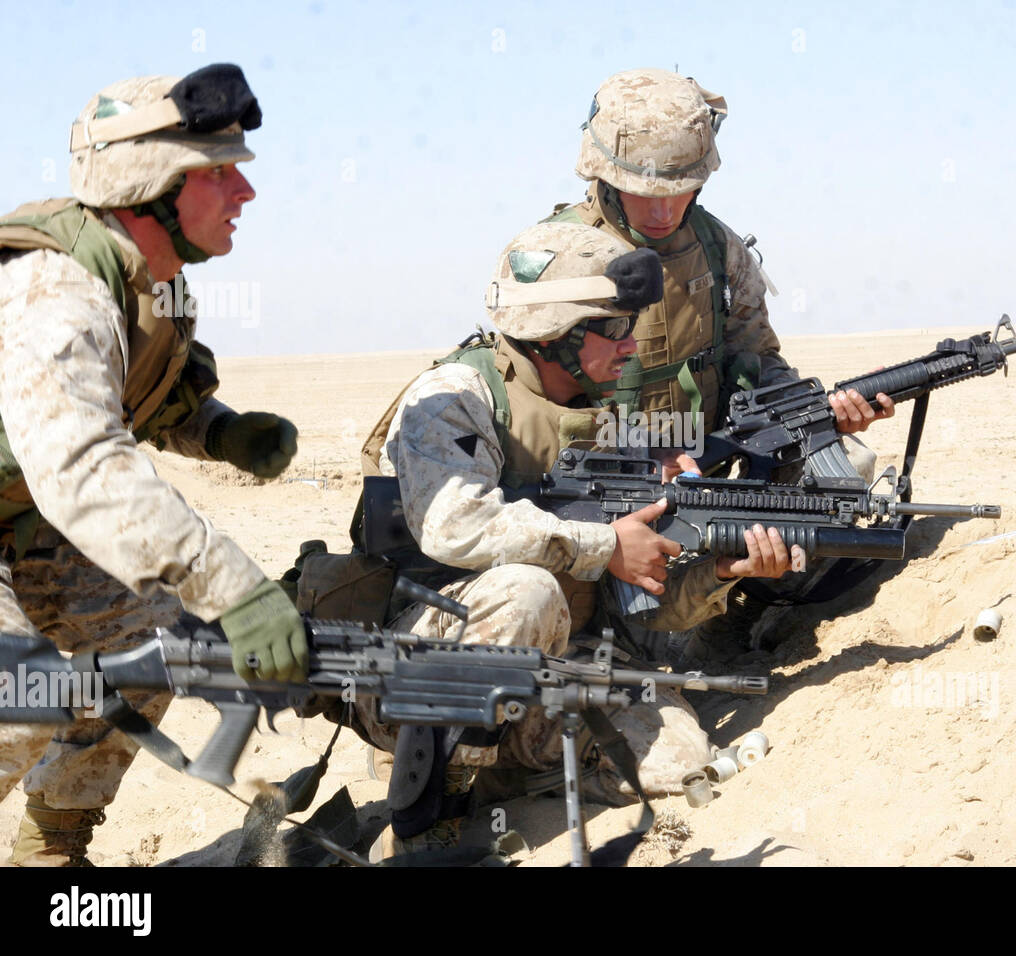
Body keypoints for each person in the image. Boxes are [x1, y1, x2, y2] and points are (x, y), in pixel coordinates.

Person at [353, 221, 800, 855]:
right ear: (554, 336)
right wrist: (603, 545)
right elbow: (453, 522)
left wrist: (723, 570)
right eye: (613, 327)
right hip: (408, 670)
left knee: (679, 760)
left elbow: (648, 597)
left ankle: (496, 778)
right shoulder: (456, 396)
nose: (630, 344)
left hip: (555, 665)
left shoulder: (612, 418)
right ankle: (431, 811)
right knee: (525, 593)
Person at [0, 64, 305, 866]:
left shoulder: (151, 283)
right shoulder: (54, 289)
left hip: (22, 522)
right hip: (42, 505)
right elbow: (85, 466)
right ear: (153, 184)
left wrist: (222, 432)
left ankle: (51, 846)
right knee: (22, 698)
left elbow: (152, 402)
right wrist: (234, 587)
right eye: (219, 173)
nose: (243, 193)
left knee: (154, 644)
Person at [546, 67, 895, 661]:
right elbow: (531, 402)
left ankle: (758, 593)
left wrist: (814, 412)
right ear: (602, 173)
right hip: (598, 487)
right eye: (648, 191)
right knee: (651, 648)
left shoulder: (718, 248)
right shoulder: (557, 260)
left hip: (704, 464)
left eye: (682, 189)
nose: (665, 211)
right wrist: (641, 450)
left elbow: (758, 359)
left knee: (845, 466)